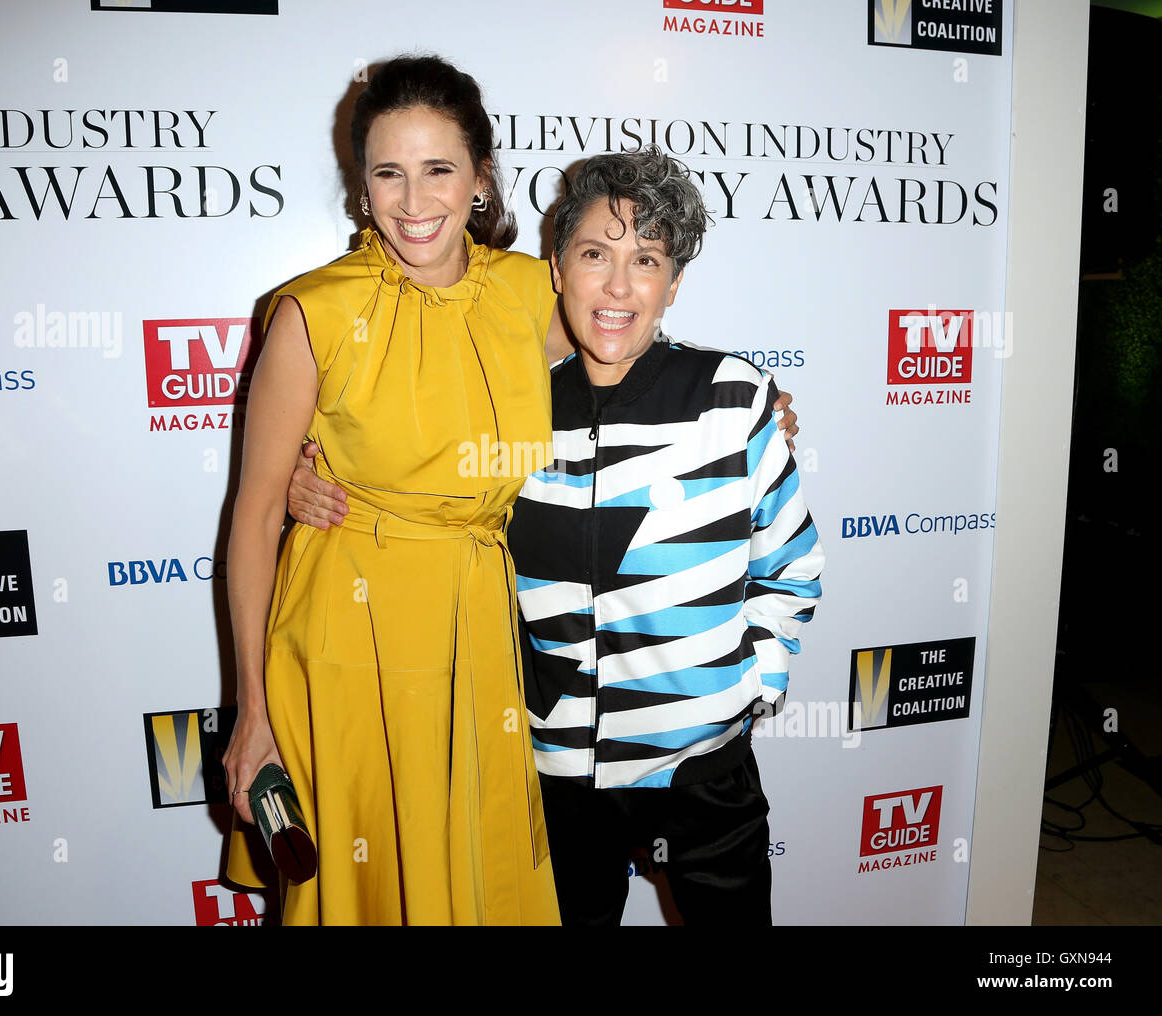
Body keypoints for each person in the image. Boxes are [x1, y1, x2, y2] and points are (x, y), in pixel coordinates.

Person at [220, 54, 566, 925]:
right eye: (389, 173)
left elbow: (631, 336)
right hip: (346, 638)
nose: (414, 203)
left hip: (476, 632)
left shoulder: (531, 295)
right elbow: (257, 515)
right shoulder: (314, 312)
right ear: (361, 185)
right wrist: (252, 715)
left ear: (482, 178)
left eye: (439, 170)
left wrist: (753, 403)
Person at [511, 146, 824, 924]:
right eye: (595, 254)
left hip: (702, 778)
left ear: (673, 283)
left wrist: (751, 689)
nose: (618, 286)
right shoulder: (508, 410)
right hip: (556, 779)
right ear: (557, 267)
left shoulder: (732, 397)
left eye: (646, 259)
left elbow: (790, 566)